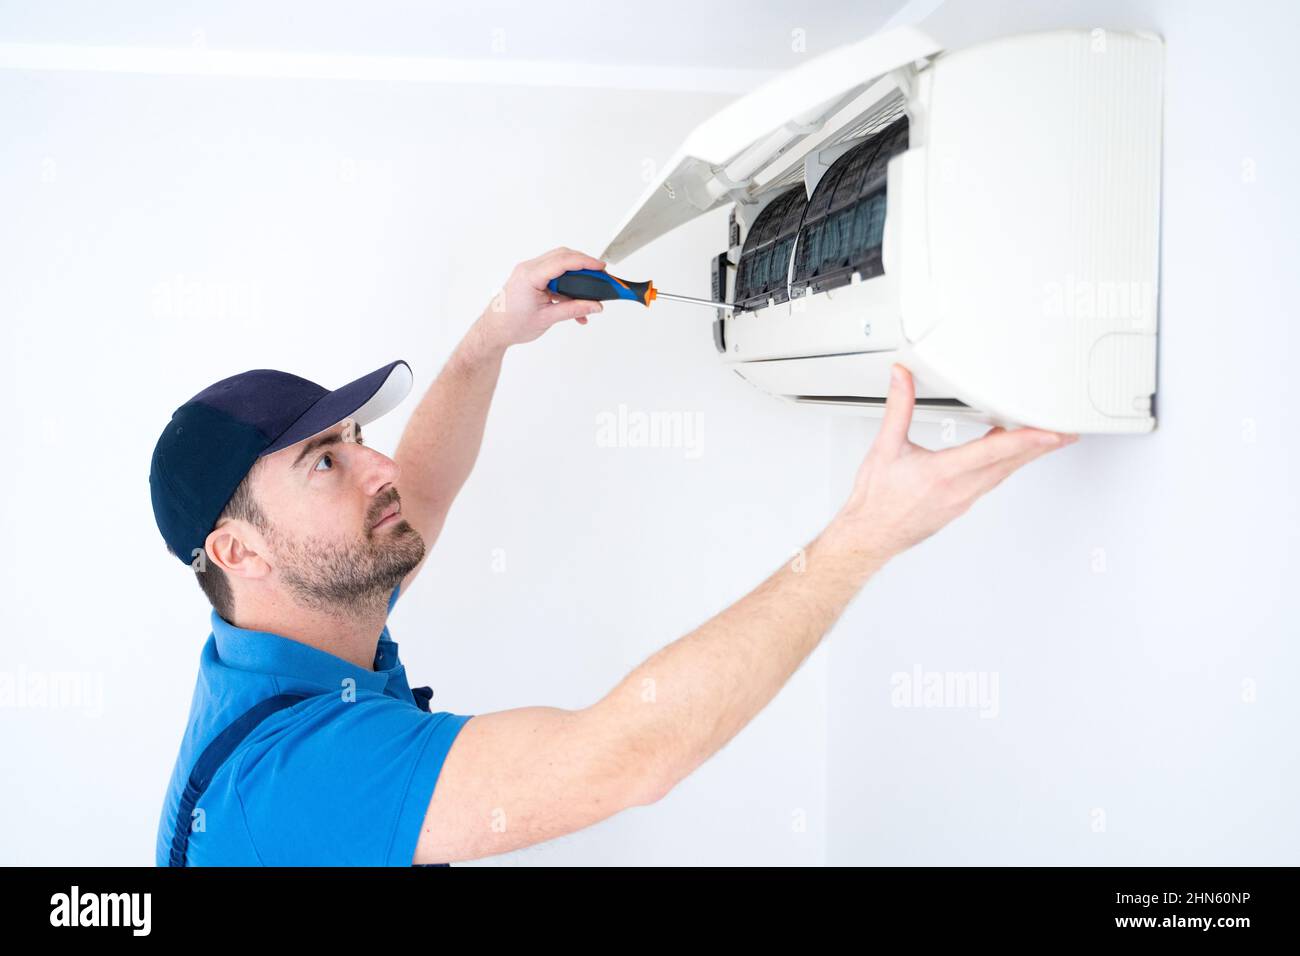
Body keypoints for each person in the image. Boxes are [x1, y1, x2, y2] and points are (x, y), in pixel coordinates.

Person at [150, 247, 1075, 866]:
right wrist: (865, 535)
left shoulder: (299, 611)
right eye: (325, 461)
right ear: (239, 548)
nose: (377, 467)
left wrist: (492, 335)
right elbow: (629, 758)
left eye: (356, 437)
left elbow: (412, 496)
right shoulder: (288, 778)